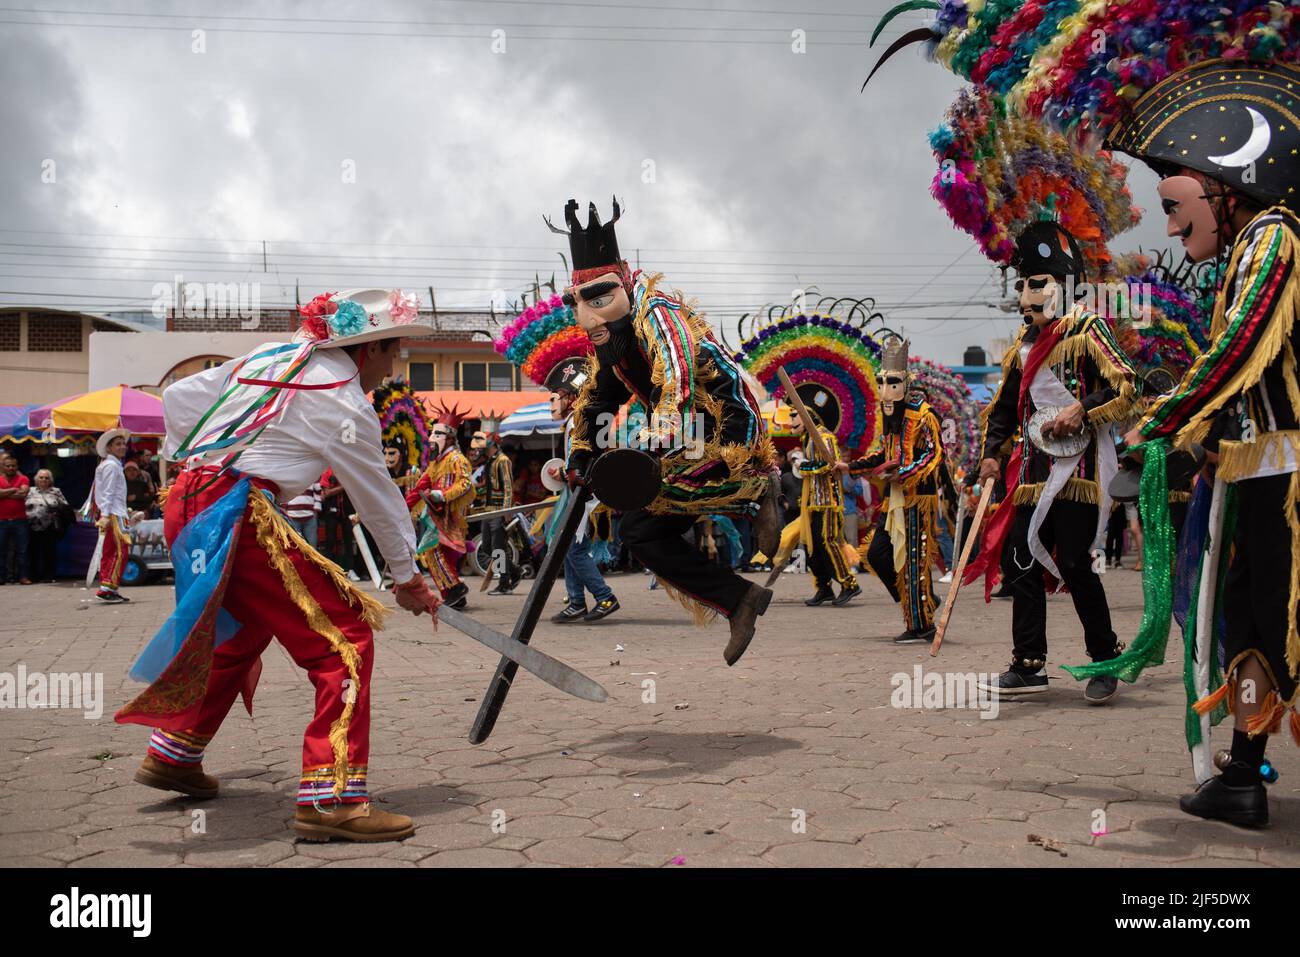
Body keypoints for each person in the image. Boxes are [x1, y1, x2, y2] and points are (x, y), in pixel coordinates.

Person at [115, 287, 441, 843]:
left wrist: (208, 452)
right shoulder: (342, 398)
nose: (392, 367)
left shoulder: (271, 357)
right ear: (369, 350)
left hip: (192, 502)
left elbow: (181, 397)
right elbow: (378, 496)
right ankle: (332, 799)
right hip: (235, 510)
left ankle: (174, 754)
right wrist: (408, 576)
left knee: (238, 630)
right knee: (343, 638)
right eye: (394, 352)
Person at [1110, 59, 1300, 827]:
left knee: (1287, 619)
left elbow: (1240, 349)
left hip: (1290, 477)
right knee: (1250, 624)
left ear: (1222, 182)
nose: (1168, 223)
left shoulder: (1275, 240)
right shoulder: (1249, 249)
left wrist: (1161, 419)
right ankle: (1245, 775)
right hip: (1258, 472)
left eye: (1172, 201)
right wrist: (1201, 439)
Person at [552, 198, 780, 663]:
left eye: (599, 297)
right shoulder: (611, 343)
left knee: (684, 477)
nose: (586, 316)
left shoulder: (656, 308)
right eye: (576, 302)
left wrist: (659, 433)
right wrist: (580, 458)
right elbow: (599, 399)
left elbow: (676, 371)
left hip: (727, 423)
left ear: (626, 282)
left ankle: (758, 490)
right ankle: (740, 601)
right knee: (640, 530)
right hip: (684, 436)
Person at [967, 221, 1137, 700]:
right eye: (1022, 284)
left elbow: (1128, 385)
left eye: (1037, 282)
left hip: (1078, 473)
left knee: (1077, 565)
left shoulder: (1088, 329)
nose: (1027, 293)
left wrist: (1082, 407)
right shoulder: (1022, 348)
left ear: (1063, 286)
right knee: (1018, 559)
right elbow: (1003, 410)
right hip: (1033, 475)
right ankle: (1028, 663)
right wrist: (989, 458)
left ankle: (1106, 658)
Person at [848, 338, 948, 642]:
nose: (885, 390)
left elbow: (933, 454)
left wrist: (902, 474)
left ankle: (921, 624)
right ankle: (920, 598)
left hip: (918, 498)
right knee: (878, 555)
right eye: (881, 382)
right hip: (895, 500)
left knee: (913, 560)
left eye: (892, 382)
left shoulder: (924, 414)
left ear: (905, 383)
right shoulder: (890, 418)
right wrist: (848, 467)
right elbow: (881, 453)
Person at [788, 398, 860, 608]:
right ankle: (824, 587)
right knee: (813, 547)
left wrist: (803, 466)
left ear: (807, 415)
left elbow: (830, 466)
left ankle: (849, 584)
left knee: (827, 542)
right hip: (812, 502)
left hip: (828, 501)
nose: (791, 419)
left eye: (795, 415)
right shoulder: (808, 437)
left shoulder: (823, 436)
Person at [406, 404, 475, 610]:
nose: (432, 438)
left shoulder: (457, 459)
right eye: (432, 433)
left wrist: (440, 495)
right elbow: (420, 486)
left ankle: (455, 589)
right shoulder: (436, 463)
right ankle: (452, 594)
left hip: (452, 517)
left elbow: (465, 484)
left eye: (438, 434)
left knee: (433, 552)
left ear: (451, 437)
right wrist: (402, 507)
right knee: (437, 554)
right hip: (437, 517)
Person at [472, 430, 518, 595]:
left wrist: (507, 511)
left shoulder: (503, 460)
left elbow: (508, 487)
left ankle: (504, 584)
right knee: (486, 547)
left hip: (499, 510)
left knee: (498, 548)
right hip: (488, 510)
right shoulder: (489, 461)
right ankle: (515, 571)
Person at [89, 428, 132, 602]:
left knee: (113, 550)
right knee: (119, 551)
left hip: (116, 512)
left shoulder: (111, 465)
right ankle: (107, 588)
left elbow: (112, 493)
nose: (122, 447)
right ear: (109, 448)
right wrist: (105, 515)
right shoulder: (111, 466)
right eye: (118, 444)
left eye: (123, 444)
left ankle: (109, 587)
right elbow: (107, 492)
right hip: (114, 514)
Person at [25, 469, 69, 583]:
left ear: (51, 480)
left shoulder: (56, 491)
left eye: (46, 478)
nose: (43, 480)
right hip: (31, 526)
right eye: (41, 477)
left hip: (49, 526)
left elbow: (65, 506)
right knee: (32, 552)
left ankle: (48, 575)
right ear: (36, 479)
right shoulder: (30, 491)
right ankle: (32, 575)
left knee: (49, 552)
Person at [0, 454, 32, 585]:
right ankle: (1, 577)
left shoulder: (23, 478)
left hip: (20, 520)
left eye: (13, 466)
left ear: (16, 466)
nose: (11, 468)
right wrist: (14, 490)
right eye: (8, 466)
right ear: (3, 467)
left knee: (23, 550)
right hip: (1, 520)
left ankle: (23, 576)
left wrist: (4, 493)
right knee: (1, 550)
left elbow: (23, 493)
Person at [283, 481, 322, 548]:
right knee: (295, 545)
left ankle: (312, 559)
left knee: (312, 545)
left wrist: (316, 509)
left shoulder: (311, 474)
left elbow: (318, 492)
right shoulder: (287, 476)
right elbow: (283, 494)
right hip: (292, 516)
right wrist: (285, 511)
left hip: (310, 516)